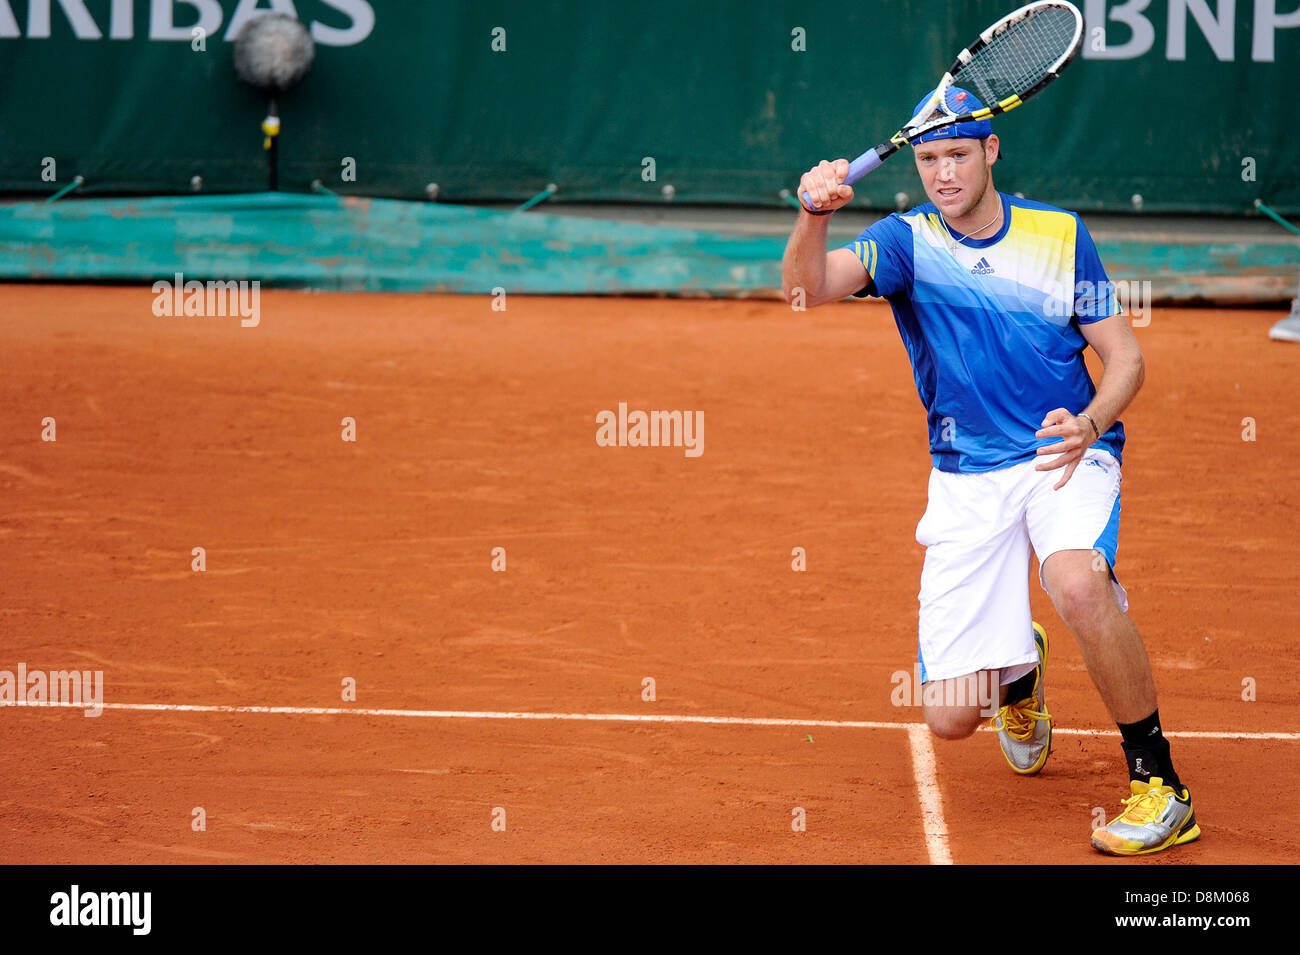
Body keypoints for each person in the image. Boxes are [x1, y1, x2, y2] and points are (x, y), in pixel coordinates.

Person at [781, 87, 1200, 856]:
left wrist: (1091, 423)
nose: (943, 174)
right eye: (930, 158)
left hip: (1062, 453)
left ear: (991, 151)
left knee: (1076, 581)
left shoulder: (1058, 235)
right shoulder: (905, 243)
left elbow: (1127, 357)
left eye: (958, 155)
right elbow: (805, 290)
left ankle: (1160, 785)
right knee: (947, 718)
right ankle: (1020, 673)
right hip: (967, 473)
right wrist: (813, 214)